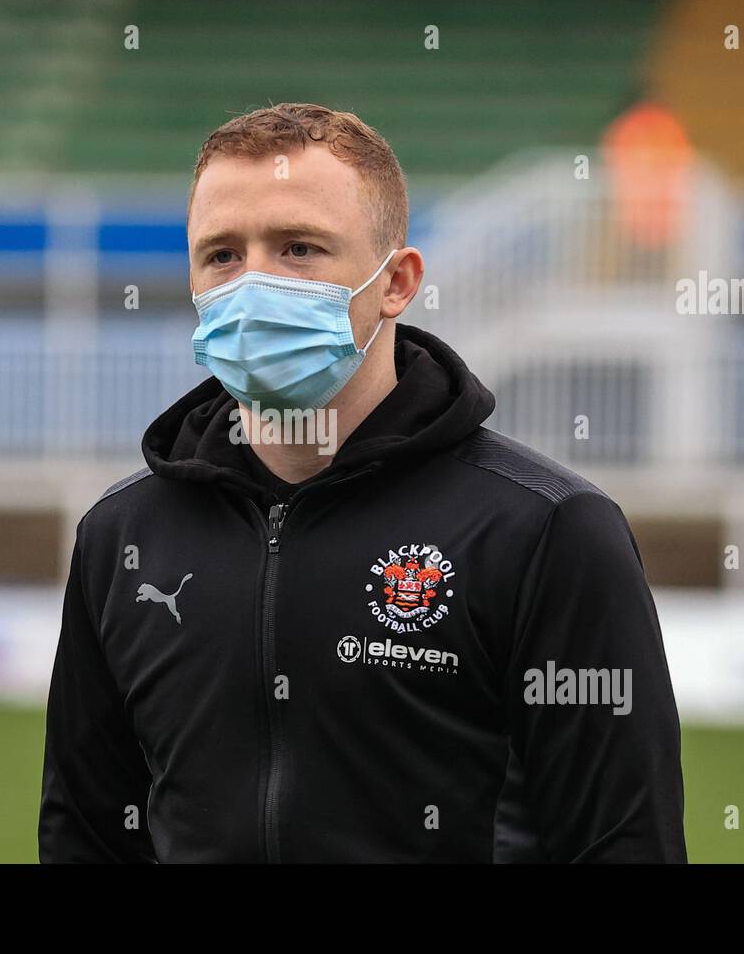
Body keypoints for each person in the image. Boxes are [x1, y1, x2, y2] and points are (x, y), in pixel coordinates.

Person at [39, 103, 686, 863]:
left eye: (298, 248)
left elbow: (623, 841)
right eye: (221, 255)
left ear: (397, 283)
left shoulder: (548, 530)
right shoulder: (123, 536)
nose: (254, 285)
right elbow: (85, 833)